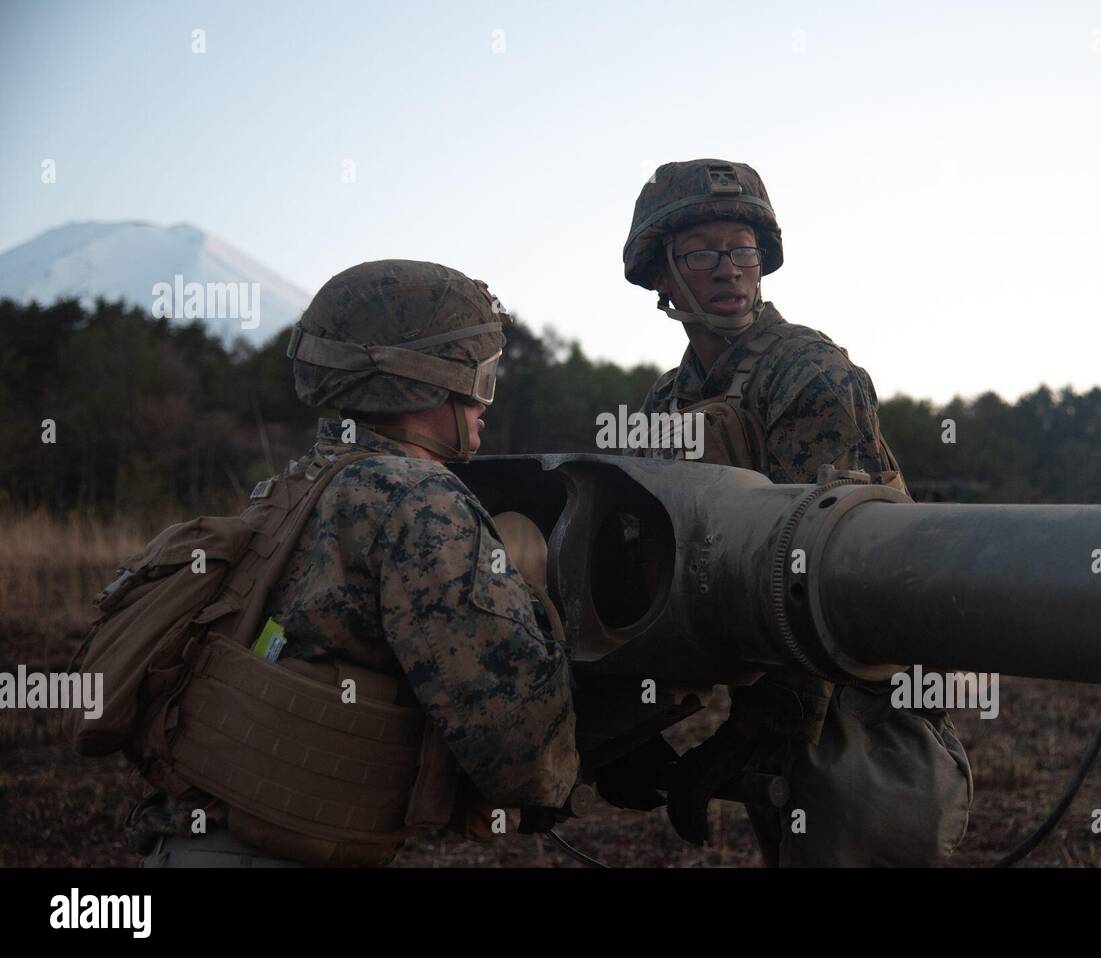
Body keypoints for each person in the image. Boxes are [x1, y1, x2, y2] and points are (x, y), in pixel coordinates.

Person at [130, 260, 578, 866]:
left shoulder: (296, 483)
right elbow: (513, 733)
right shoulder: (420, 500)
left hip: (190, 842)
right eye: (481, 378)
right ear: (427, 381)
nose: (483, 405)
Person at [613, 159, 973, 866]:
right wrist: (629, 725)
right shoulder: (664, 404)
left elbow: (820, 566)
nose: (728, 269)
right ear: (660, 275)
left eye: (741, 250)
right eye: (701, 253)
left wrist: (754, 732)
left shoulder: (808, 371)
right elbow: (647, 564)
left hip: (852, 681)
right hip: (760, 670)